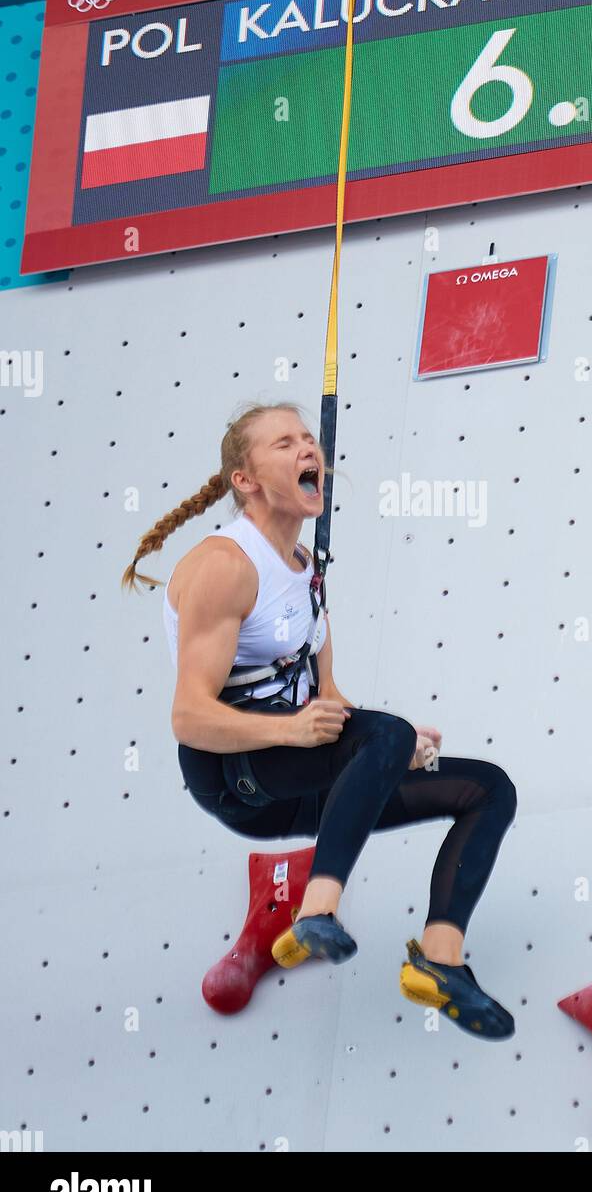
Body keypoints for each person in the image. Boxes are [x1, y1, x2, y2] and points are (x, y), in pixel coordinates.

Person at [121, 400, 518, 1039]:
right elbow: (189, 717)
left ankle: (440, 964)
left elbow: (331, 703)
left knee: (487, 788)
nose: (308, 449)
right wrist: (295, 731)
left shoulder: (308, 569)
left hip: (297, 774)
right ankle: (317, 912)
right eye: (284, 443)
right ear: (244, 481)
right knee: (382, 733)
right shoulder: (226, 566)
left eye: (310, 438)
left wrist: (395, 749)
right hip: (233, 772)